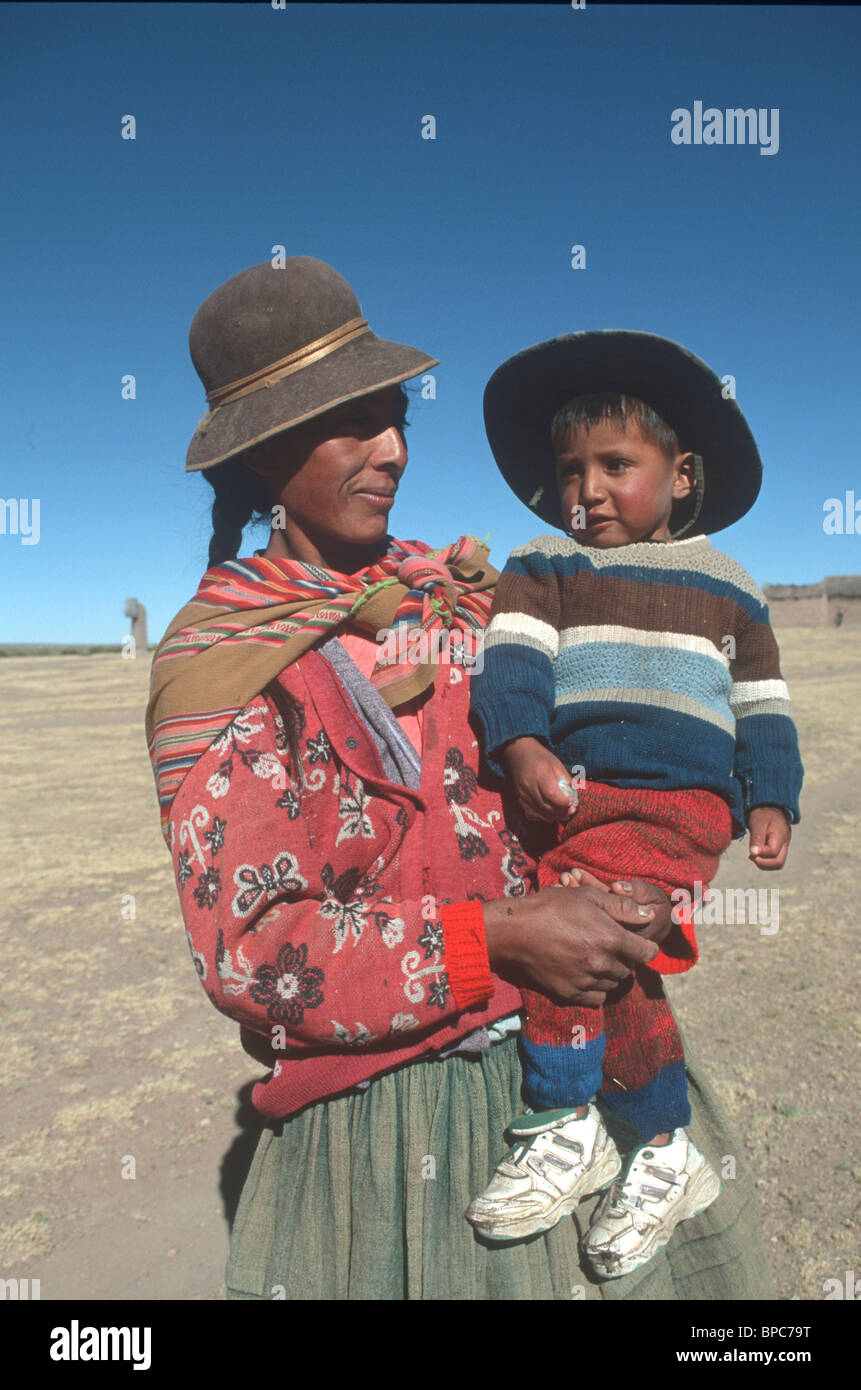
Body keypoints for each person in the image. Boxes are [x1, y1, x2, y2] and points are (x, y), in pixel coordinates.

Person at [146, 263, 777, 1299]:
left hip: (587, 1047)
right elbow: (254, 956)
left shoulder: (471, 599)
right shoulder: (222, 662)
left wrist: (646, 871)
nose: (393, 448)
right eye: (349, 425)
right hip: (391, 1125)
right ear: (260, 456)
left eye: (391, 415)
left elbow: (629, 741)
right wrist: (502, 938)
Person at [466, 332, 803, 1278]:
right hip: (574, 797)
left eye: (617, 464)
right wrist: (522, 743)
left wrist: (771, 794)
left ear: (680, 474)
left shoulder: (730, 588)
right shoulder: (544, 564)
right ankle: (661, 1148)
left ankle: (564, 1120)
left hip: (683, 804)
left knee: (577, 929)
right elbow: (514, 665)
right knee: (612, 961)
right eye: (570, 470)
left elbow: (761, 705)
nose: (589, 489)